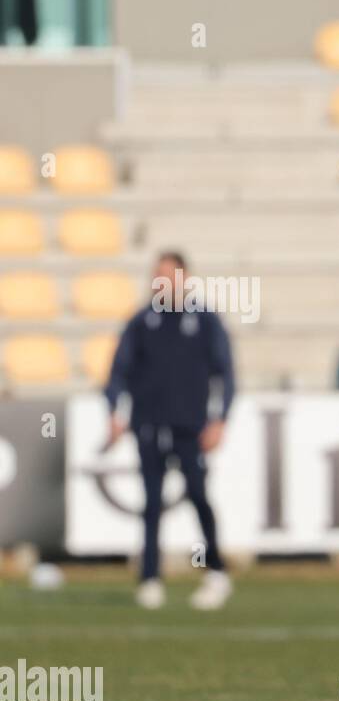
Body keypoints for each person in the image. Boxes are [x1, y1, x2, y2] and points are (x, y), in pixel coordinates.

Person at [105, 251, 236, 610]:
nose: (161, 282)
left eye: (169, 276)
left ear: (184, 279)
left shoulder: (205, 321)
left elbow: (225, 373)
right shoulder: (141, 321)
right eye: (157, 276)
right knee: (150, 503)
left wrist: (219, 419)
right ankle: (150, 578)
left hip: (190, 427)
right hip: (148, 424)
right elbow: (118, 371)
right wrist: (115, 410)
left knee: (197, 495)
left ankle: (216, 571)